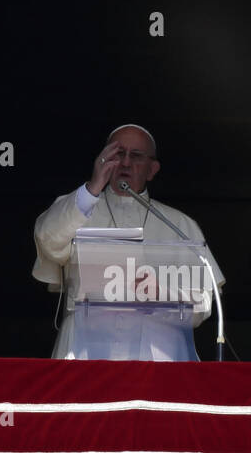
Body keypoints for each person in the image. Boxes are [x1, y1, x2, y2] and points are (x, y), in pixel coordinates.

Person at [33, 124, 224, 359]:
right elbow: (48, 243)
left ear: (152, 169)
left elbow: (203, 305)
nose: (125, 163)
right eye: (117, 153)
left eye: (135, 156)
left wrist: (162, 293)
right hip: (86, 351)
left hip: (156, 356)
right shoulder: (77, 206)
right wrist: (93, 187)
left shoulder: (179, 224)